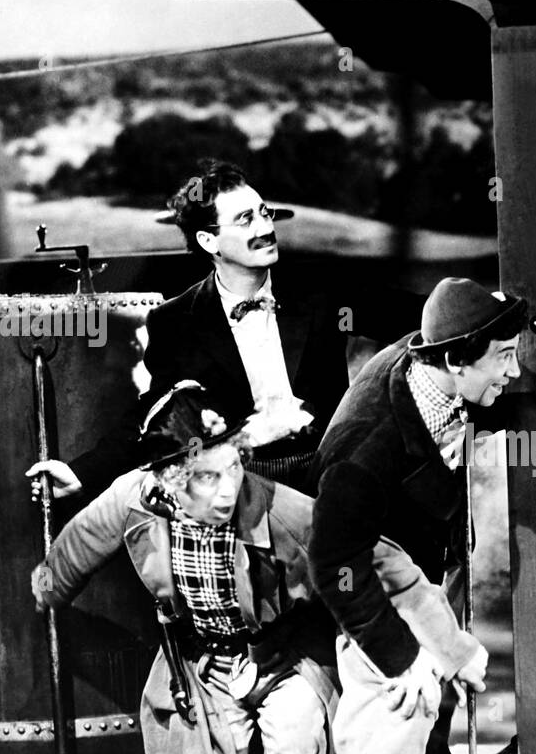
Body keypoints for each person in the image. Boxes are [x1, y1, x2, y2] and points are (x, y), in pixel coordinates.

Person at [32, 381, 482, 754]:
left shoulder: (285, 512)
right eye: (205, 478)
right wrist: (44, 592)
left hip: (287, 666)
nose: (225, 492)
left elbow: (389, 566)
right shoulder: (134, 500)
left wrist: (453, 649)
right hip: (202, 675)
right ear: (170, 480)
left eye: (232, 470)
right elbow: (72, 551)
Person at [308, 277, 525, 754]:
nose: (513, 372)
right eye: (503, 358)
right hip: (370, 590)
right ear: (457, 359)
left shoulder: (438, 366)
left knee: (430, 719)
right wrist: (402, 655)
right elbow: (335, 564)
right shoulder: (365, 444)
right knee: (400, 721)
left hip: (422, 575)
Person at [26, 159, 358, 500]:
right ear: (208, 241)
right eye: (245, 220)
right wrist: (81, 473)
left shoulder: (322, 289)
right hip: (242, 487)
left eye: (264, 213)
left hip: (331, 472)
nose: (264, 229)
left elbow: (402, 316)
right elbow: (155, 413)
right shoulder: (177, 321)